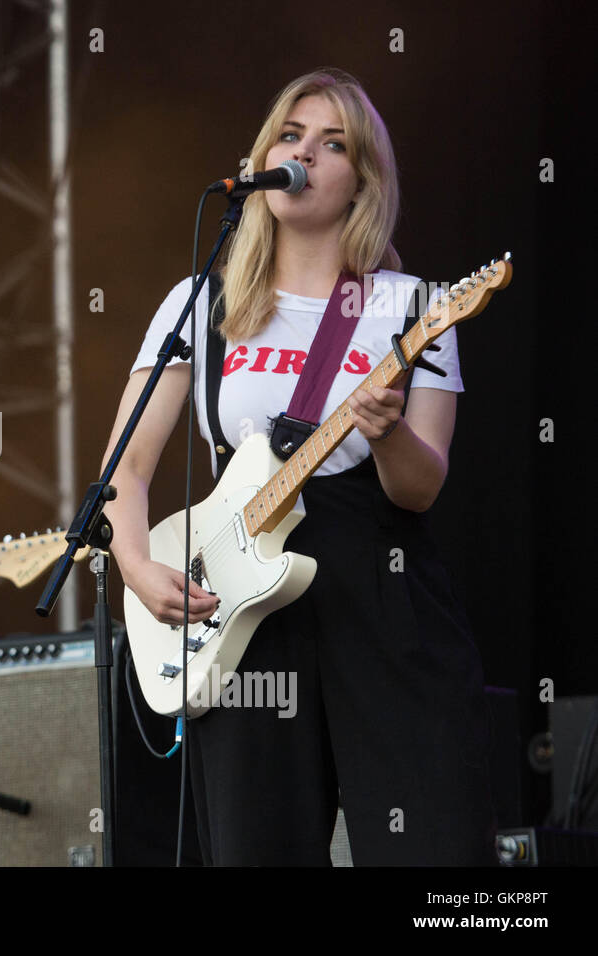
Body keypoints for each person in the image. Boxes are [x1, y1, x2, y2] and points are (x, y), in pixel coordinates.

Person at [102, 68, 496, 865]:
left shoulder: (414, 306)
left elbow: (420, 488)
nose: (304, 153)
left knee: (434, 844)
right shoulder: (199, 304)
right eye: (291, 135)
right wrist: (136, 565)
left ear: (363, 183)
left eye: (332, 144)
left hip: (381, 591)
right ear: (261, 159)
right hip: (244, 609)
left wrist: (386, 434)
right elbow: (125, 470)